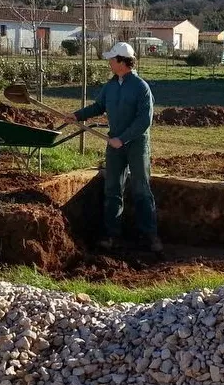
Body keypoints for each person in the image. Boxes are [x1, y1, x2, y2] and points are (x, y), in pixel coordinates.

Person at [66, 42, 163, 253]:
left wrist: (123, 139)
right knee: (112, 189)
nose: (109, 62)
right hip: (114, 145)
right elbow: (98, 106)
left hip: (136, 144)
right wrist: (77, 115)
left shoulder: (141, 87)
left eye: (112, 59)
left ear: (122, 61)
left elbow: (144, 120)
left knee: (141, 189)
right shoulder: (110, 86)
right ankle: (112, 235)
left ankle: (149, 235)